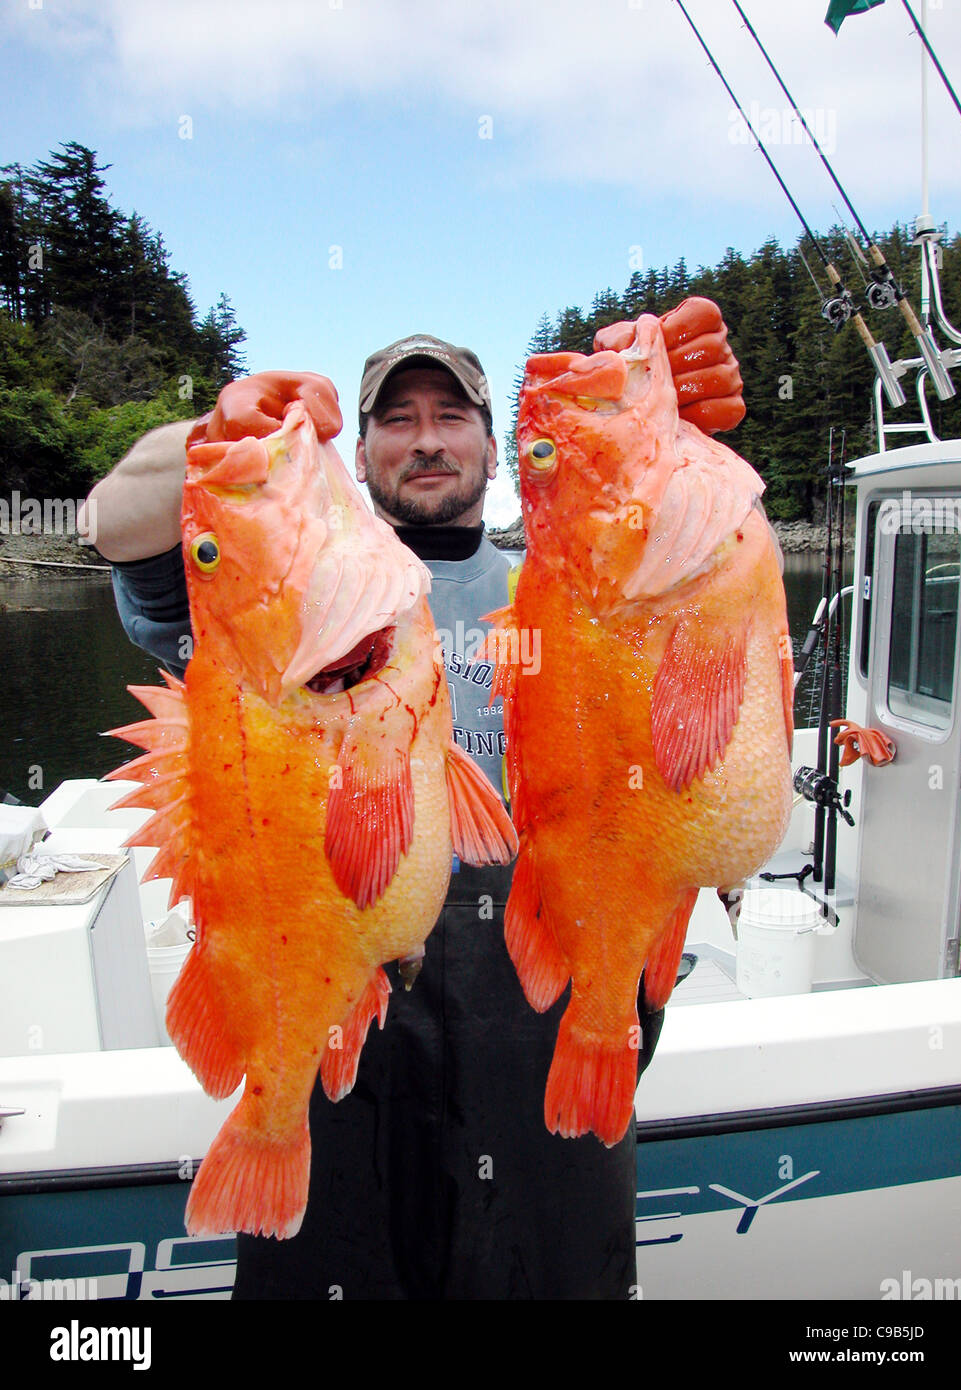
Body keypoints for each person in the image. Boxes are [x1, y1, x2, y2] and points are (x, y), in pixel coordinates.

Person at [82, 299, 744, 1299]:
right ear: (358, 449)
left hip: (540, 1026)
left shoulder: (576, 582)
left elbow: (703, 618)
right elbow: (116, 517)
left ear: (492, 441)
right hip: (347, 1051)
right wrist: (211, 438)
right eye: (396, 419)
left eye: (451, 415)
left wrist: (671, 441)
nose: (426, 439)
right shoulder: (272, 598)